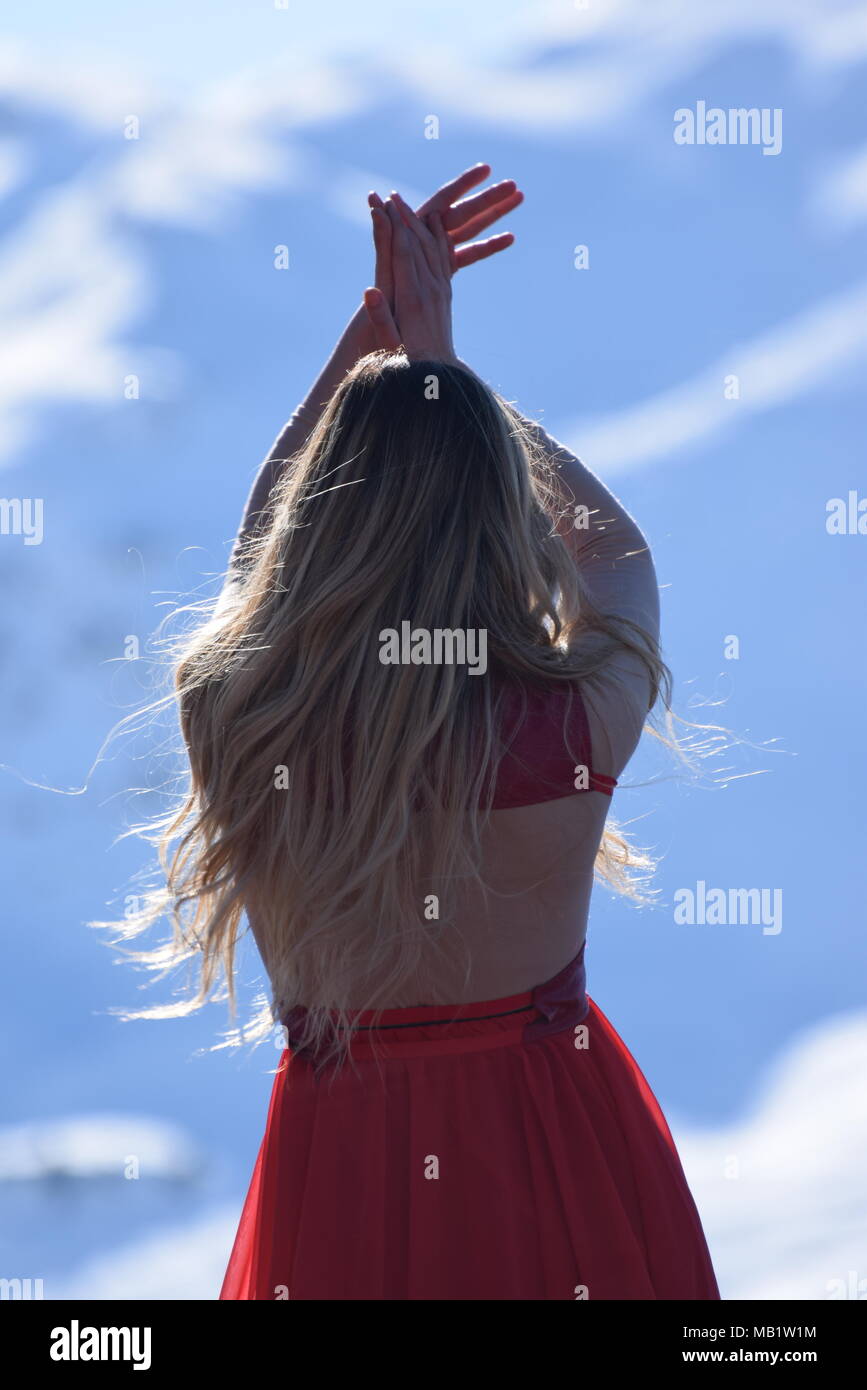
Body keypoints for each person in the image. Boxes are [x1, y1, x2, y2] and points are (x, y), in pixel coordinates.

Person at [118, 164, 720, 1300]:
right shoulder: (568, 726)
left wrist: (370, 354)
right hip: (562, 1160)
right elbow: (616, 557)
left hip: (338, 1172)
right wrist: (446, 380)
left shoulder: (247, 723)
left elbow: (257, 563)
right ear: (500, 514)